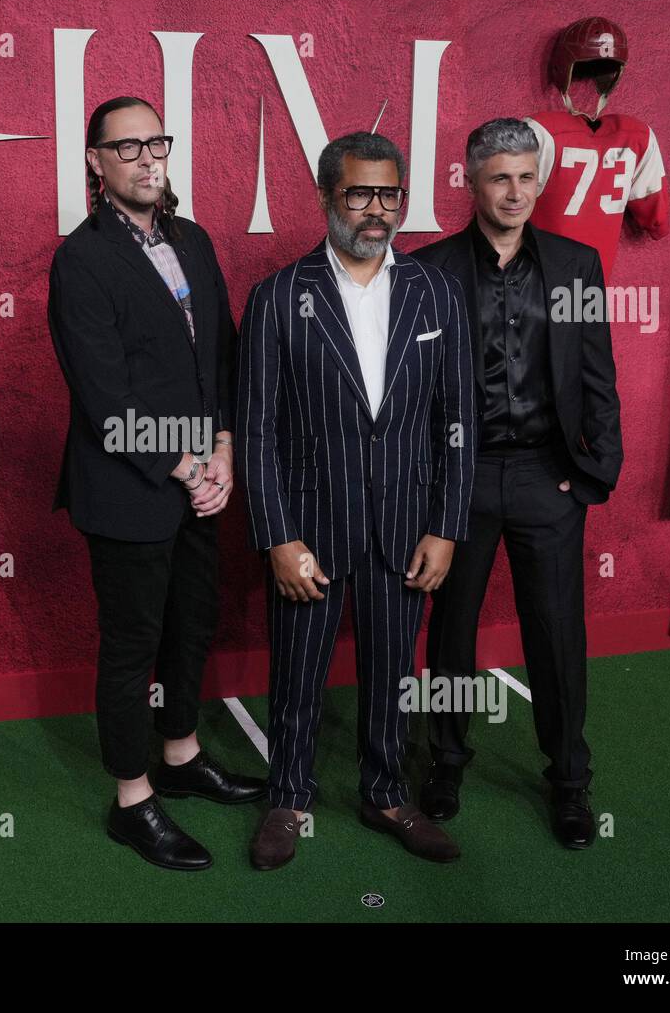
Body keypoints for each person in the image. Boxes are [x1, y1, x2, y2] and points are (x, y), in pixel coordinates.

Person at [236, 131, 475, 870]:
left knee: (391, 674)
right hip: (309, 527)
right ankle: (289, 797)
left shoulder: (436, 292)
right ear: (325, 196)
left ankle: (384, 792)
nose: (378, 211)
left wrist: (446, 525)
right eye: (360, 194)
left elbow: (459, 423)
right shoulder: (278, 297)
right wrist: (277, 535)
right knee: (298, 676)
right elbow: (256, 432)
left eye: (390, 194)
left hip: (407, 529)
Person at [47, 96, 266, 872]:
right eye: (126, 146)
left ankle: (181, 755)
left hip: (202, 479)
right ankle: (133, 800)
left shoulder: (194, 241)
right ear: (97, 165)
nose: (147, 158)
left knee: (191, 625)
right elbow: (104, 397)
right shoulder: (81, 259)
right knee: (132, 644)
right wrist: (187, 465)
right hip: (130, 487)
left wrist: (227, 451)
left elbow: (224, 359)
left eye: (156, 142)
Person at [411, 117, 623, 849]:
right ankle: (446, 761)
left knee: (557, 638)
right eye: (500, 177)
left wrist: (592, 476)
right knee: (451, 633)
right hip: (460, 480)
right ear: (470, 181)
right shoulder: (429, 270)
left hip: (546, 478)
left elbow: (598, 375)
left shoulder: (576, 266)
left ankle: (568, 781)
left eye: (527, 177)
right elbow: (410, 389)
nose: (515, 191)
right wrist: (427, 483)